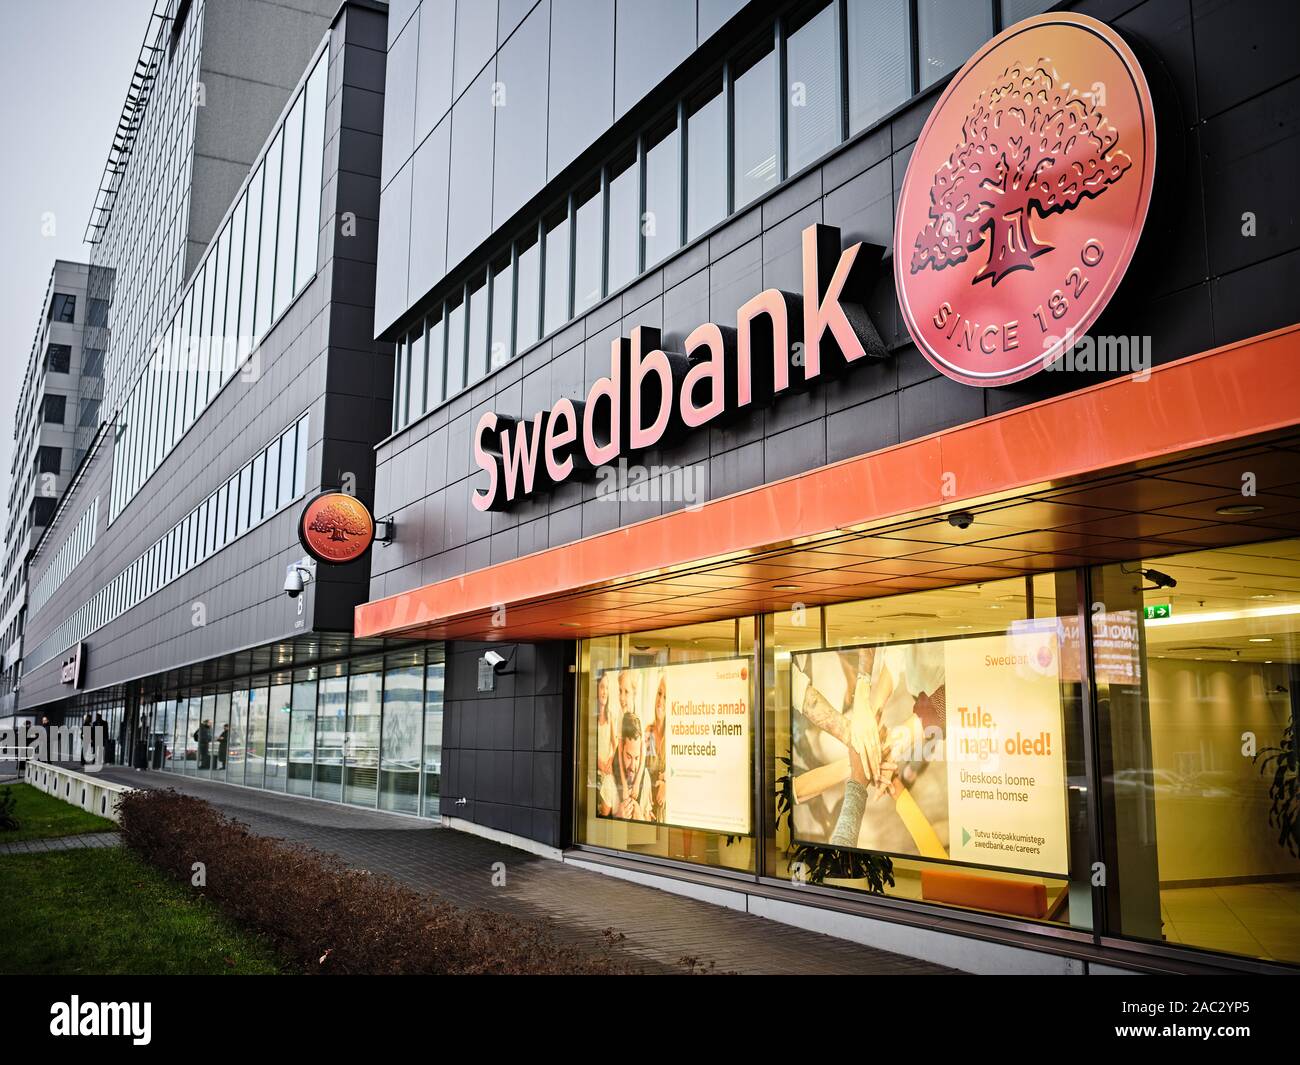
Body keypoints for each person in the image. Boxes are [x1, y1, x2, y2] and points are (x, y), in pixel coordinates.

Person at [612, 711, 653, 822]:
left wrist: (641, 817)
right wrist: (625, 786)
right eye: (629, 757)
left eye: (636, 758)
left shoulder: (645, 777)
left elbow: (643, 757)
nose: (633, 766)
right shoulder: (610, 780)